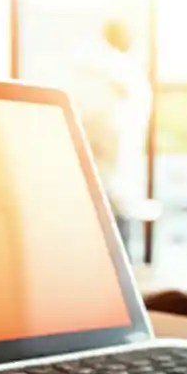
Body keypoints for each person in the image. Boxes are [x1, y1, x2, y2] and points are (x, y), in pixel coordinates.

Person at [63, 18, 154, 253]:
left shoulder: (111, 71)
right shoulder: (111, 71)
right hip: (105, 171)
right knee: (110, 240)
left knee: (112, 238)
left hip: (111, 173)